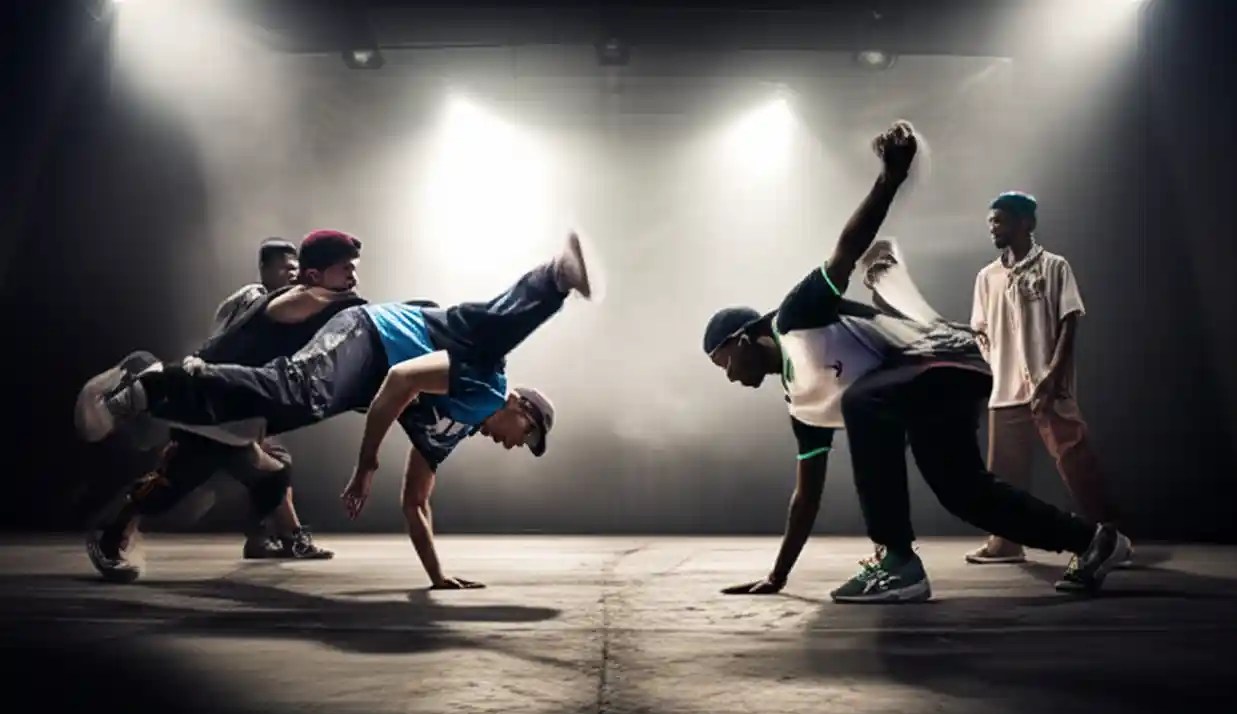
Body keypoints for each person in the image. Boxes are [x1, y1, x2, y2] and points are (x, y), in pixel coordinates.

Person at [704, 121, 1131, 603]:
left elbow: (847, 250)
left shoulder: (794, 316)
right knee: (964, 493)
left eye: (723, 362)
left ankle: (897, 561)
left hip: (944, 359)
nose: (729, 376)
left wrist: (890, 179)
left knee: (863, 402)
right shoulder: (802, 404)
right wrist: (779, 576)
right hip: (930, 390)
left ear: (743, 339)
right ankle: (1097, 543)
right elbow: (806, 497)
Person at [76, 231, 599, 588]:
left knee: (267, 435)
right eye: (524, 436)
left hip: (354, 376)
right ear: (520, 408)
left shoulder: (452, 429)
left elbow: (417, 502)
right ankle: (157, 383)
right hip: (370, 344)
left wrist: (437, 575)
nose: (513, 445)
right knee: (299, 390)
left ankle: (164, 496)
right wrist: (366, 463)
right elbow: (400, 379)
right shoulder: (486, 384)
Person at [84, 231, 365, 582]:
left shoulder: (310, 304)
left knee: (275, 472)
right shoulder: (279, 300)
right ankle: (111, 533)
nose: (291, 274)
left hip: (239, 412)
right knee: (177, 482)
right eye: (287, 269)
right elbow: (233, 336)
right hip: (211, 409)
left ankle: (266, 537)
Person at [965, 192, 1125, 565]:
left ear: (1027, 224)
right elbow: (980, 330)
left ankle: (1111, 538)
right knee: (1004, 474)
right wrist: (996, 364)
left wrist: (1052, 375)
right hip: (1006, 389)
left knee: (1075, 460)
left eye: (1000, 220)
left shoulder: (1055, 267)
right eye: (991, 221)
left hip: (1050, 386)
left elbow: (1070, 319)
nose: (993, 227)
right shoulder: (987, 277)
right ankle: (1006, 543)